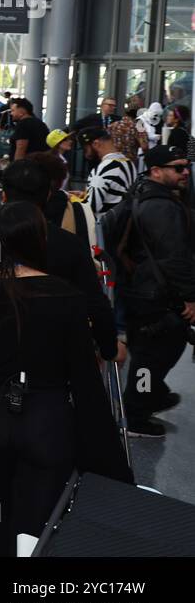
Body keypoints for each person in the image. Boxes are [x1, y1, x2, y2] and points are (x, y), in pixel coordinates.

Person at [0, 202, 133, 555]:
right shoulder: (67, 297)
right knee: (35, 525)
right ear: (40, 239)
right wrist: (109, 457)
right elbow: (85, 380)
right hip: (48, 423)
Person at [0, 158, 119, 362]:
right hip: (54, 359)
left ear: (3, 195)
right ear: (49, 194)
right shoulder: (70, 245)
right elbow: (94, 301)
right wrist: (108, 347)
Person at [112, 144, 195, 437]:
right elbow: (174, 257)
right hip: (155, 293)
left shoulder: (142, 194)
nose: (185, 172)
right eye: (178, 167)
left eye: (186, 166)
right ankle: (136, 414)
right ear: (156, 171)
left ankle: (151, 395)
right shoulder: (162, 207)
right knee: (152, 356)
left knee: (149, 352)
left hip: (139, 290)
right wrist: (189, 297)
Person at [83, 126, 137, 217]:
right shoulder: (129, 163)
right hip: (121, 224)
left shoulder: (102, 169)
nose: (86, 155)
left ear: (96, 144)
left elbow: (91, 206)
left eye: (86, 149)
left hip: (103, 227)